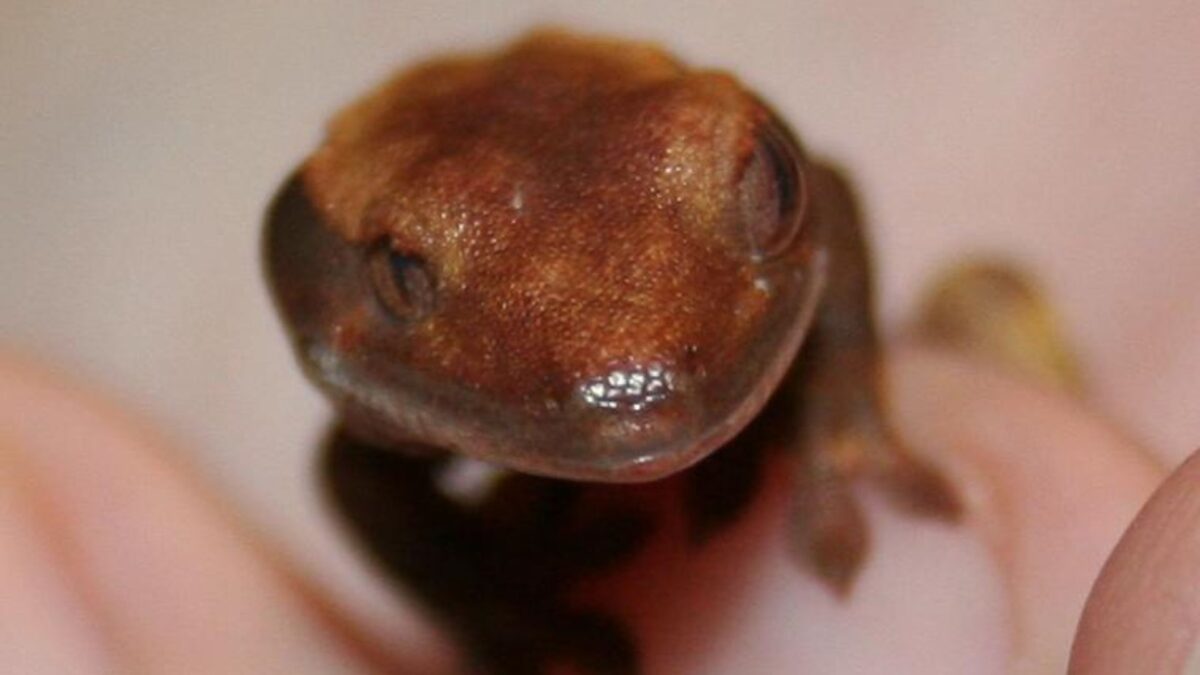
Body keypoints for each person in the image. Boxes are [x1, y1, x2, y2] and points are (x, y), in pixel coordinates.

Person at [0, 345, 1181, 674]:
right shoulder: (377, 441)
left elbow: (820, 191)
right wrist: (493, 601)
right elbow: (358, 475)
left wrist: (837, 409)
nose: (644, 390)